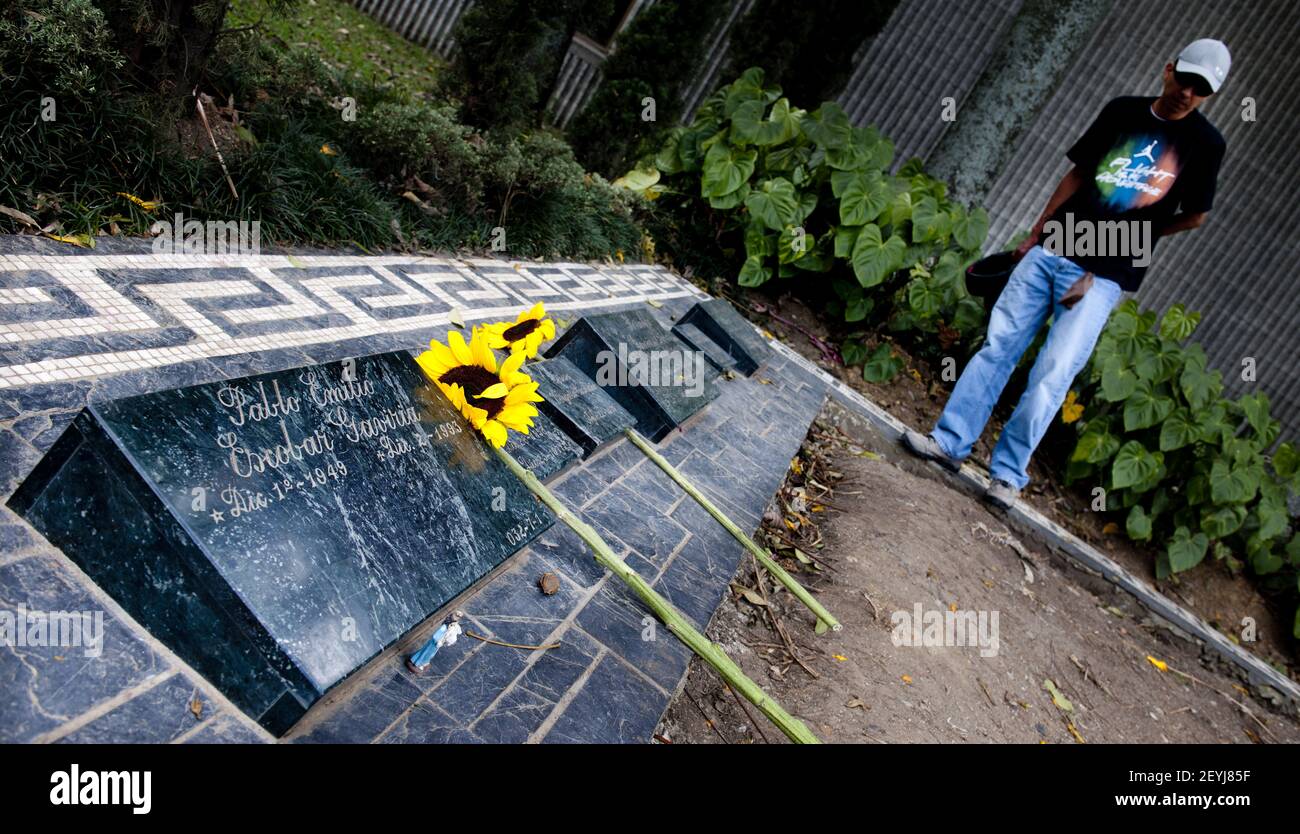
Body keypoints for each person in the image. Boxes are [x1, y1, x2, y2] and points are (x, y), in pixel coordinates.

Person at [902, 38, 1229, 509]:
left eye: (1202, 89)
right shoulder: (1123, 111)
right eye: (1185, 80)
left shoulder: (1206, 144)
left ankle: (1007, 476)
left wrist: (1140, 236)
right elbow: (1078, 174)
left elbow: (1195, 214)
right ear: (1168, 70)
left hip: (1105, 273)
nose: (1188, 93)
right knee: (999, 347)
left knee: (1053, 372)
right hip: (1054, 248)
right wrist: (1037, 232)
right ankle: (949, 444)